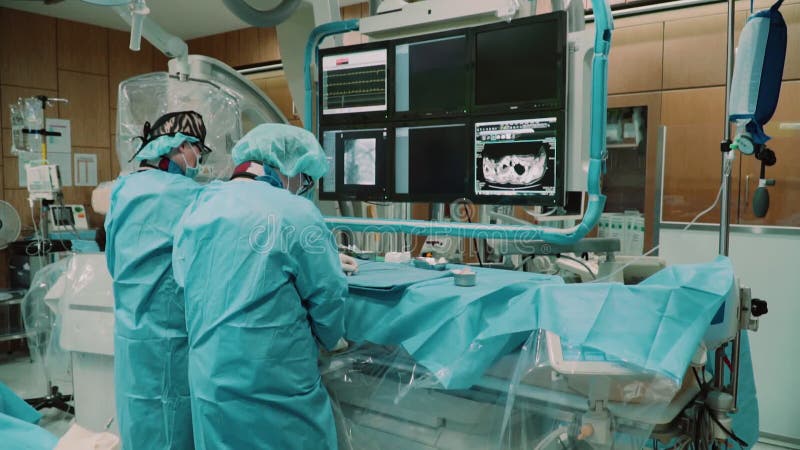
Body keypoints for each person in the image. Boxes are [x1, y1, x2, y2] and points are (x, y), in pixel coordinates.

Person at [172, 123, 352, 450]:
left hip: (210, 378)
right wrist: (331, 337)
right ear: (290, 168)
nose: (303, 189)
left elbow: (185, 277)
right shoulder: (295, 212)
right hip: (273, 385)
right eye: (305, 180)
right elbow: (328, 297)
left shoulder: (199, 207)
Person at [105, 110, 211, 450]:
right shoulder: (190, 194)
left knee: (140, 421)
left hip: (130, 331)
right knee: (171, 423)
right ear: (181, 146)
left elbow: (113, 260)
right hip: (170, 334)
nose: (199, 159)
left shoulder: (123, 189)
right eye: (198, 150)